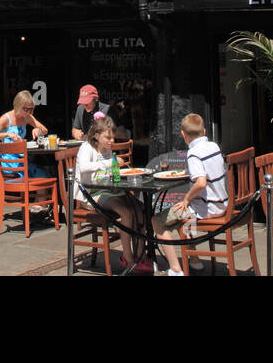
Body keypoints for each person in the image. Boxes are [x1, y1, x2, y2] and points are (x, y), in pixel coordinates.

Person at [152, 114, 227, 276]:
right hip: (223, 204)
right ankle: (194, 260)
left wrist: (186, 198)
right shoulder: (214, 146)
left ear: (183, 134)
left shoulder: (193, 153)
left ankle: (176, 269)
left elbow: (201, 183)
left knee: (157, 221)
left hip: (207, 208)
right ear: (204, 131)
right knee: (185, 212)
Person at [75, 117, 150, 272]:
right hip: (91, 194)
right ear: (96, 135)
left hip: (108, 190)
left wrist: (117, 172)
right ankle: (127, 258)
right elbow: (83, 167)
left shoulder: (107, 150)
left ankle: (140, 255)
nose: (111, 140)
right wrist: (111, 162)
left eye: (112, 137)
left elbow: (112, 173)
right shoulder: (87, 148)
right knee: (126, 211)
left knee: (139, 208)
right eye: (107, 137)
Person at [0, 90, 51, 177]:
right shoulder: (6, 118)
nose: (28, 112)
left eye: (31, 109)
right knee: (40, 173)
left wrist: (38, 130)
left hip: (22, 160)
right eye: (26, 109)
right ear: (18, 106)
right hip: (9, 163)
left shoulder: (27, 117)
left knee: (43, 174)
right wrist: (7, 134)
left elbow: (45, 130)